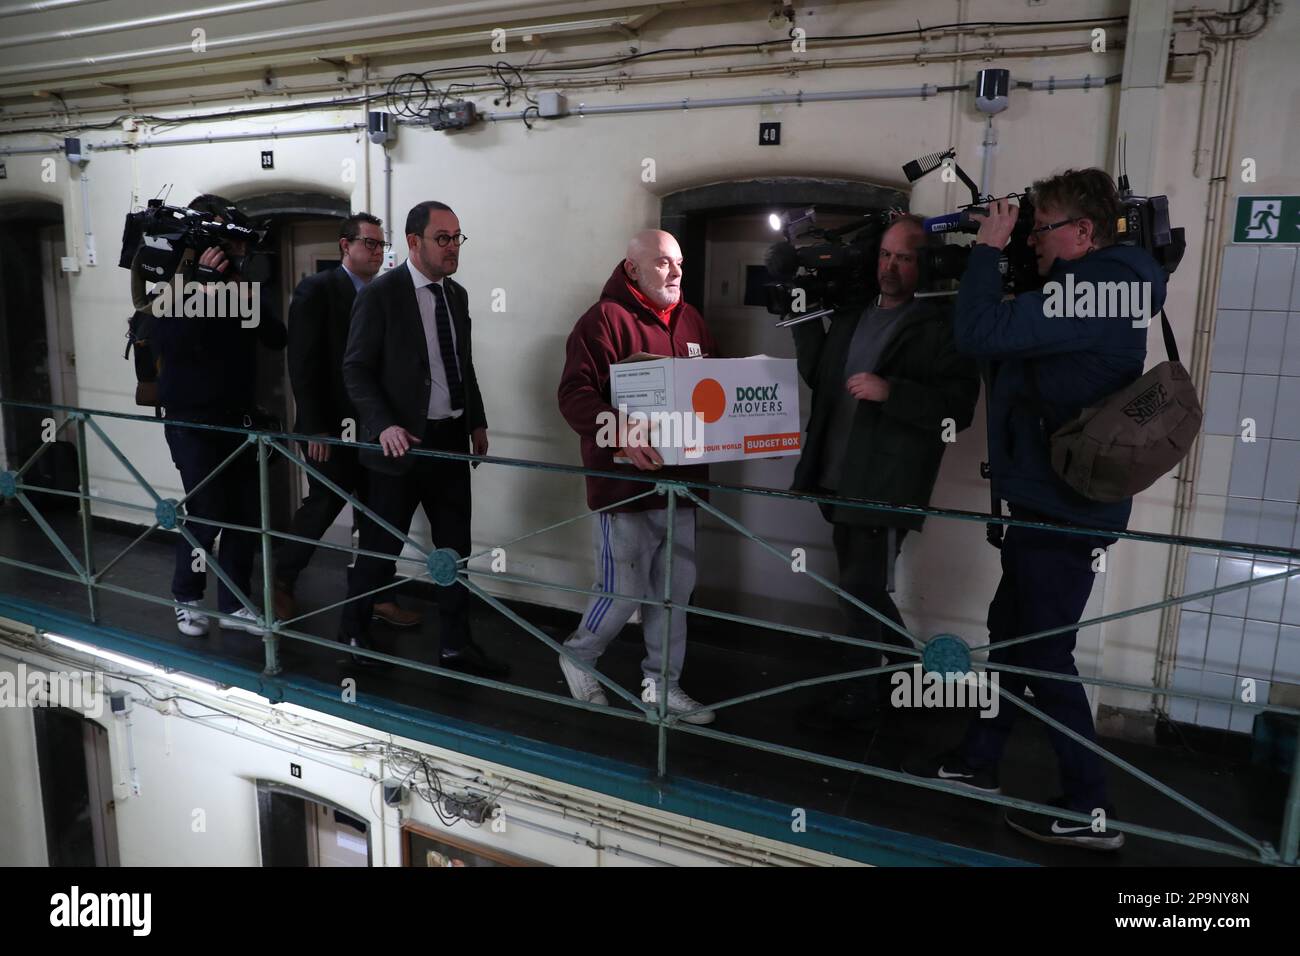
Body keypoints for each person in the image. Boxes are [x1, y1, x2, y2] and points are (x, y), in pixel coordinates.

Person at [909, 168, 1165, 851]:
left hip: (1063, 510)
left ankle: (1090, 808)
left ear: (1084, 232)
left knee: (1045, 652)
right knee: (1014, 634)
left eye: (1039, 228)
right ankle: (978, 762)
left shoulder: (1096, 290)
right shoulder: (1094, 285)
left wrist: (989, 250)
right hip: (1047, 501)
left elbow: (981, 333)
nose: (1032, 240)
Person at [790, 214, 979, 731]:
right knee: (861, 587)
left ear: (924, 263)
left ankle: (863, 694)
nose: (890, 267)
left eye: (904, 258)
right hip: (835, 472)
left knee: (857, 586)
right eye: (885, 256)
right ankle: (907, 675)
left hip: (884, 482)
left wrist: (892, 392)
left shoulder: (939, 324)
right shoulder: (854, 314)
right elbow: (821, 377)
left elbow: (956, 409)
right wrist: (804, 321)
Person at [556, 229, 718, 723]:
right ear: (632, 269)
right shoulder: (603, 320)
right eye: (663, 263)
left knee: (673, 590)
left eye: (680, 263)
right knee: (623, 590)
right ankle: (578, 655)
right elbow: (573, 396)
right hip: (623, 487)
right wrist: (620, 430)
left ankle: (661, 686)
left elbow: (713, 392)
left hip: (682, 485)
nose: (676, 273)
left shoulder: (691, 320)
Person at [339, 200, 506, 678]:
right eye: (443, 238)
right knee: (380, 548)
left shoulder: (457, 296)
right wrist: (383, 425)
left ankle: (456, 645)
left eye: (457, 238)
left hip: (450, 440)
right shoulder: (381, 294)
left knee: (455, 550)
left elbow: (463, 364)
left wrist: (476, 420)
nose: (452, 247)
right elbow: (355, 369)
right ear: (414, 243)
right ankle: (353, 632)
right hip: (400, 442)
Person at [273, 212, 420, 631]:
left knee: (379, 515)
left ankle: (376, 595)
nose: (376, 251)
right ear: (345, 245)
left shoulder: (387, 291)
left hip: (375, 425)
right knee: (323, 503)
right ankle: (282, 579)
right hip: (331, 426)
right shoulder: (317, 289)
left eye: (380, 244)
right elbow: (302, 361)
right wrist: (316, 425)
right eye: (368, 243)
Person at [150, 194, 286, 637]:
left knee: (246, 514)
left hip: (237, 417)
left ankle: (235, 601)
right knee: (207, 512)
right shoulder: (174, 285)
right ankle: (186, 597)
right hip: (191, 420)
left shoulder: (237, 286)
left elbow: (274, 335)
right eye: (230, 245)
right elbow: (174, 345)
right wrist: (203, 286)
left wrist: (241, 284)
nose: (235, 253)